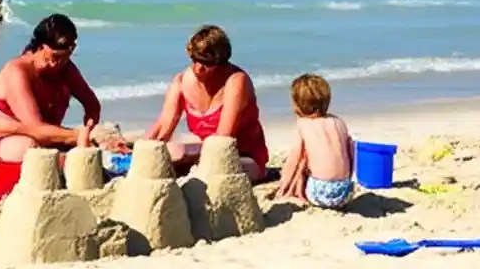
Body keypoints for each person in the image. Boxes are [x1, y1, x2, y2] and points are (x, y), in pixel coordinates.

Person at [0, 14, 110, 162]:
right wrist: (79, 135)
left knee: (104, 141)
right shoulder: (17, 71)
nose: (55, 64)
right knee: (28, 147)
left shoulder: (66, 68)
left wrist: (90, 128)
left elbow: (92, 105)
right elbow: (35, 128)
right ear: (40, 46)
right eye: (52, 58)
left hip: (45, 140)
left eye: (64, 57)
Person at [145, 25, 269, 181]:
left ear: (220, 62)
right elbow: (163, 126)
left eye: (206, 63)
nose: (198, 68)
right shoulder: (182, 81)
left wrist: (190, 155)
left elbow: (224, 138)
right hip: (204, 153)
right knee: (170, 152)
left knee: (215, 164)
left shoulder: (236, 81)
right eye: (195, 60)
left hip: (240, 155)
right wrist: (144, 151)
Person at [275, 74, 354, 208]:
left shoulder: (304, 125)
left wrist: (283, 184)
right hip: (345, 192)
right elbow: (350, 153)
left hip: (318, 193)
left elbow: (293, 160)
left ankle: (296, 192)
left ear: (298, 104)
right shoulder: (339, 122)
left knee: (302, 161)